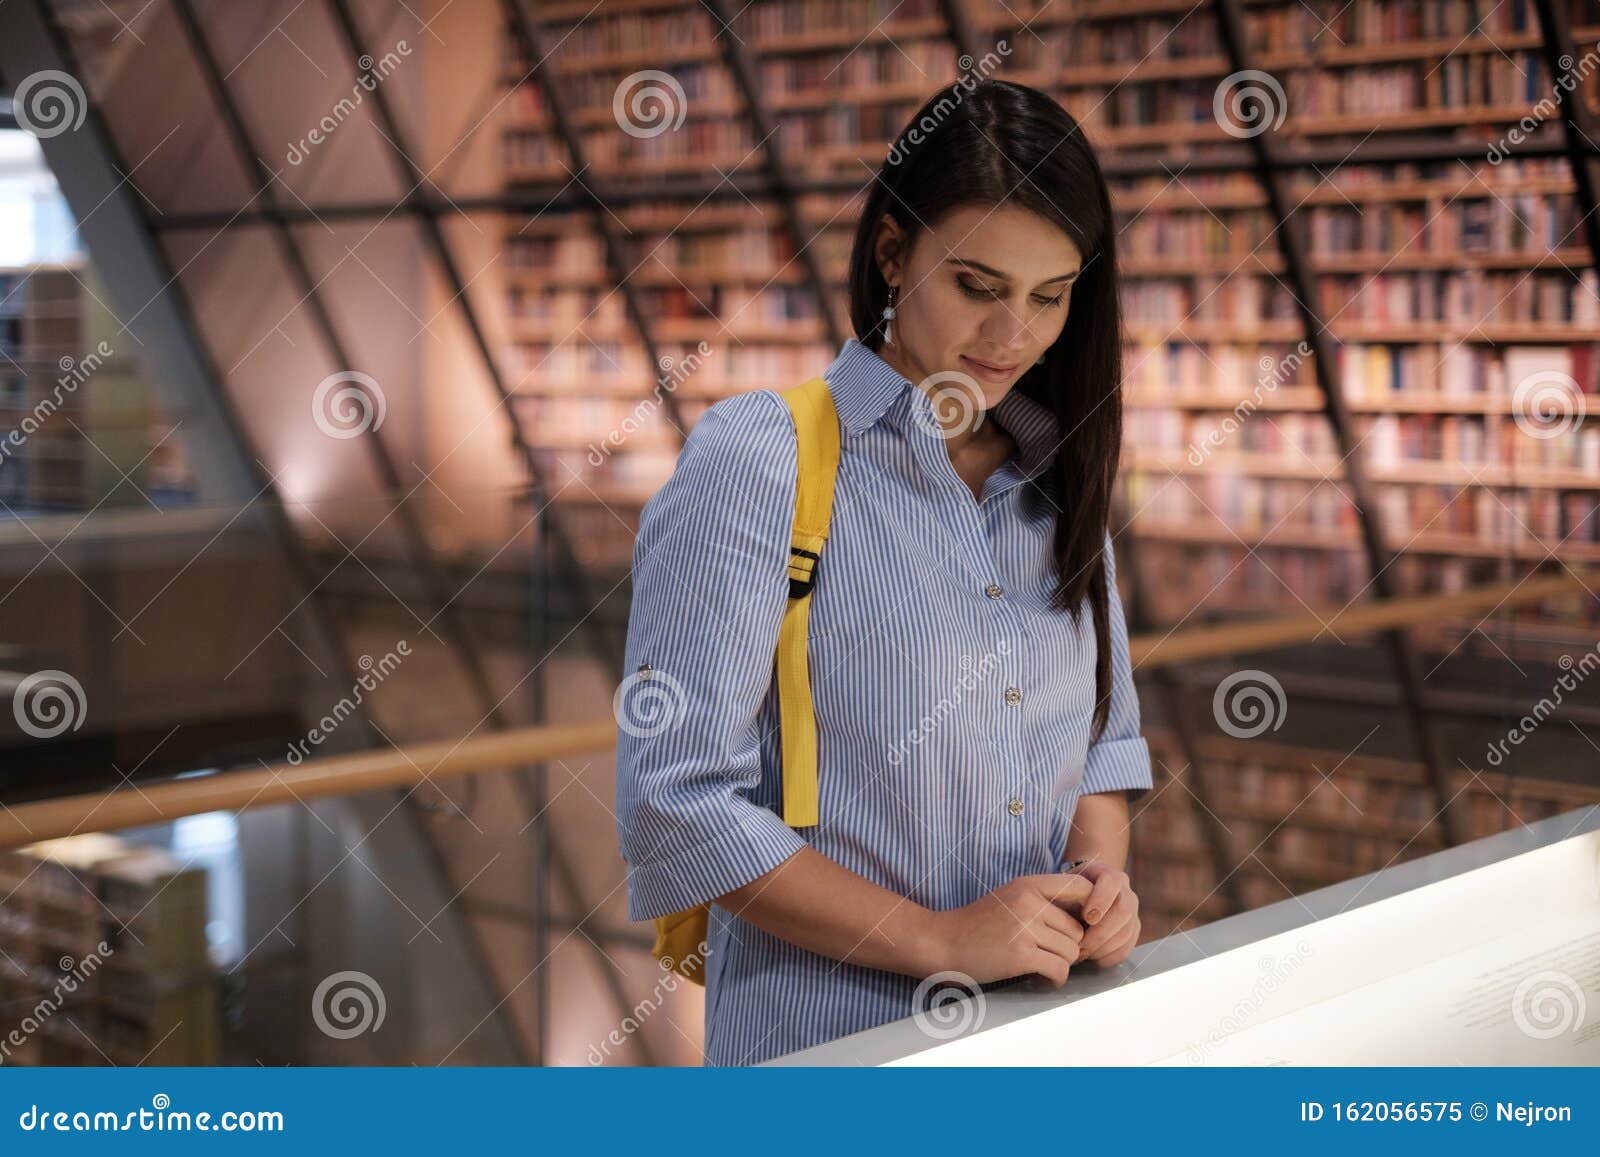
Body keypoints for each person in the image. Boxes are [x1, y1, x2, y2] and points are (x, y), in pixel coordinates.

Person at [614, 77, 1152, 1066]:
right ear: (893, 253)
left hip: (1048, 1040)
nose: (1012, 337)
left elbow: (1103, 750)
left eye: (1050, 296)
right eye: (978, 287)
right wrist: (938, 939)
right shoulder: (758, 460)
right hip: (838, 1046)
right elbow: (673, 799)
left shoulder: (1056, 481)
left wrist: (1098, 884)